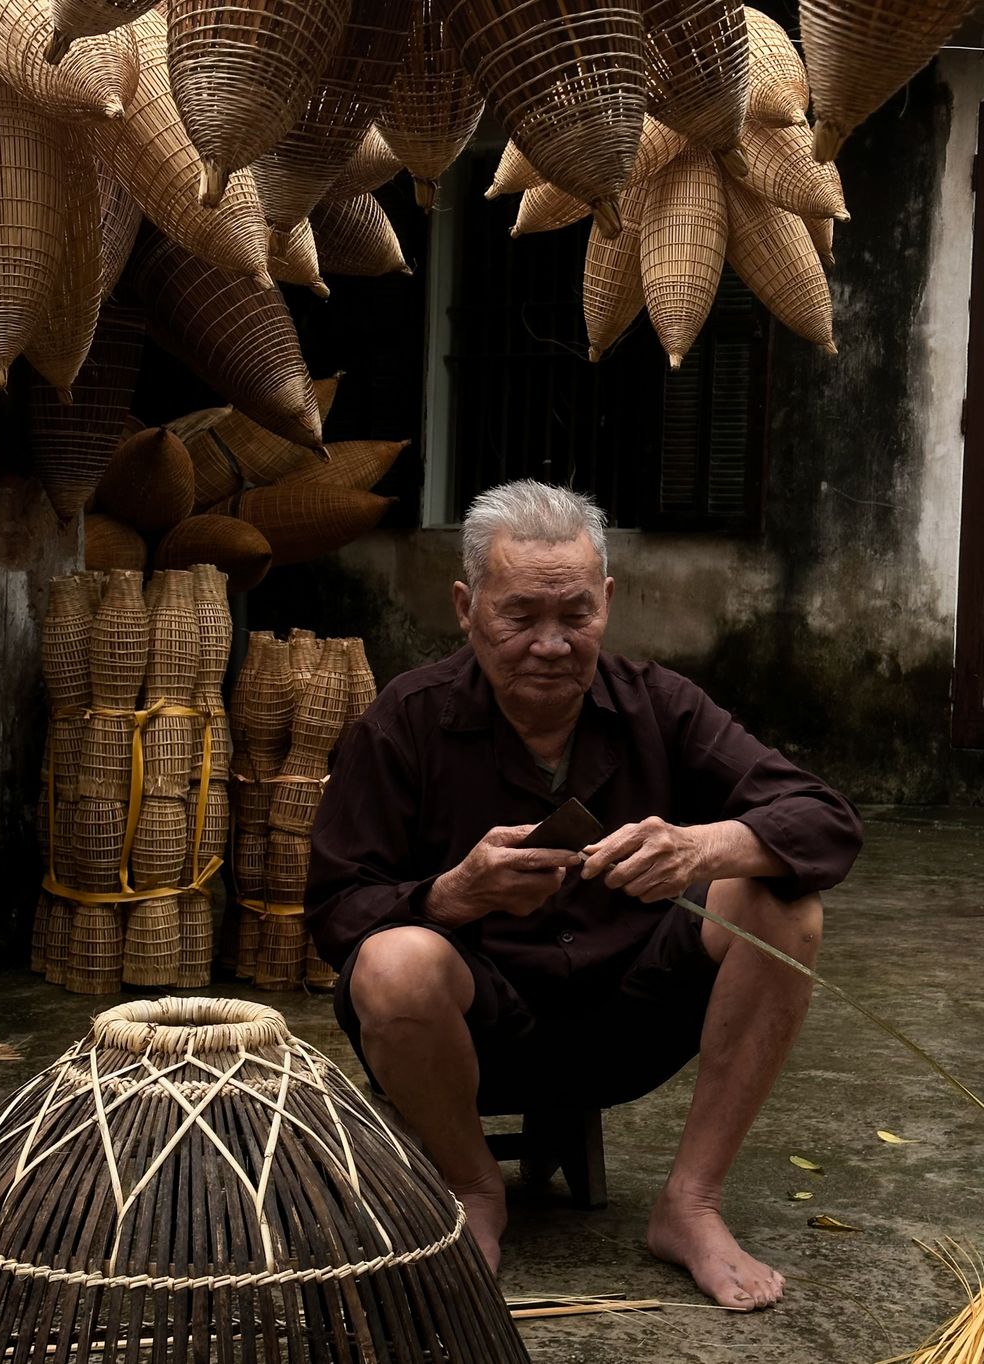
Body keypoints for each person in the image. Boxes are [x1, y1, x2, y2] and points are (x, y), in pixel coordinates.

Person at [305, 480, 862, 1311]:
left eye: (575, 617)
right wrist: (453, 896)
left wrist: (699, 846)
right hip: (475, 1035)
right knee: (392, 963)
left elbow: (826, 822)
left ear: (607, 601)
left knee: (783, 902)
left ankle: (690, 1204)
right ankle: (473, 1193)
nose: (551, 645)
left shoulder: (658, 705)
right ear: (466, 607)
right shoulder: (405, 722)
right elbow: (335, 909)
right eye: (520, 617)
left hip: (631, 1022)